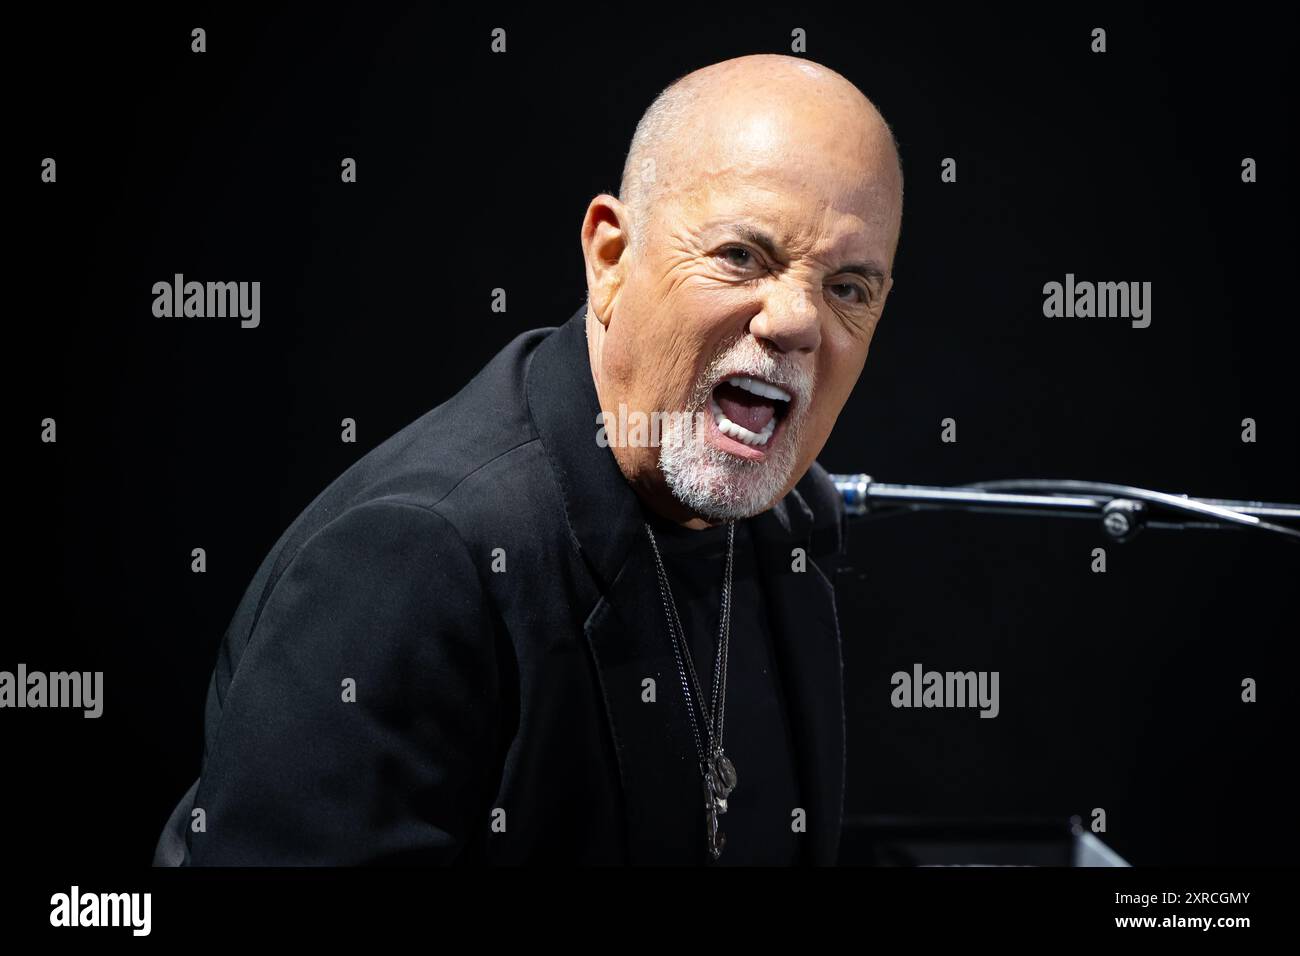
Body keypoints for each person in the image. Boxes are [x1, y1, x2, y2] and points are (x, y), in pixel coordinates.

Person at [153, 52, 904, 865]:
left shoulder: (783, 532)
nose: (795, 320)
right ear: (610, 259)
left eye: (849, 288)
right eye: (742, 257)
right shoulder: (414, 560)